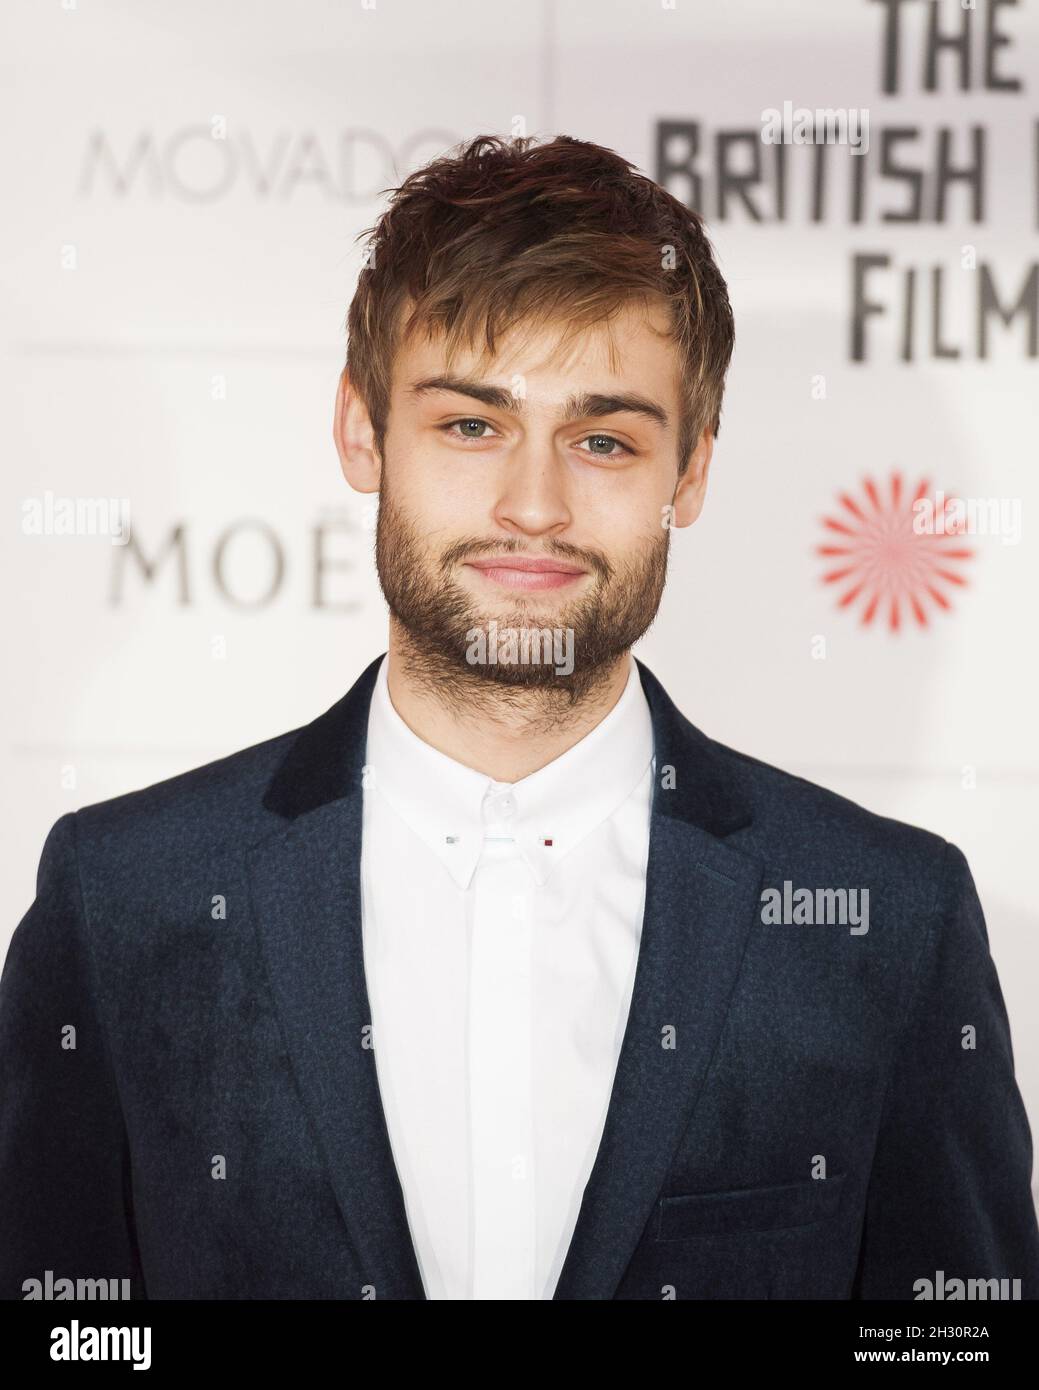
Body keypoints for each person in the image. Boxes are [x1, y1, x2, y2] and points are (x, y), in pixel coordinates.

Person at [2, 134, 1036, 1301]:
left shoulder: (887, 921)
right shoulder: (123, 899)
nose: (532, 506)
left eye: (602, 440)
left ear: (689, 470)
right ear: (360, 432)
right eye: (470, 425)